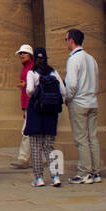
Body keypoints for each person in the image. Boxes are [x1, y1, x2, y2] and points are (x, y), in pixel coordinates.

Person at [25, 45, 69, 187]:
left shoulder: (32, 73)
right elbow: (63, 91)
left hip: (36, 110)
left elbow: (30, 90)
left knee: (36, 145)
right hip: (51, 112)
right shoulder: (53, 72)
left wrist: (35, 94)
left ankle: (39, 178)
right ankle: (55, 176)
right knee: (49, 145)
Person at [64, 28, 101, 184]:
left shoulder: (74, 59)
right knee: (93, 138)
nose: (65, 43)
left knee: (81, 139)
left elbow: (71, 84)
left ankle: (85, 172)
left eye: (66, 39)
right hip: (92, 101)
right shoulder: (91, 58)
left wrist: (67, 98)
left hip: (79, 102)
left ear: (71, 40)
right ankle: (96, 172)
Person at [9, 44, 35, 168]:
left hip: (33, 103)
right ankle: (38, 157)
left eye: (24, 53)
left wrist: (26, 85)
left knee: (26, 131)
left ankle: (24, 158)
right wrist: (24, 108)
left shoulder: (33, 68)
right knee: (31, 132)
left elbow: (32, 87)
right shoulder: (25, 68)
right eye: (21, 53)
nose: (22, 55)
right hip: (28, 103)